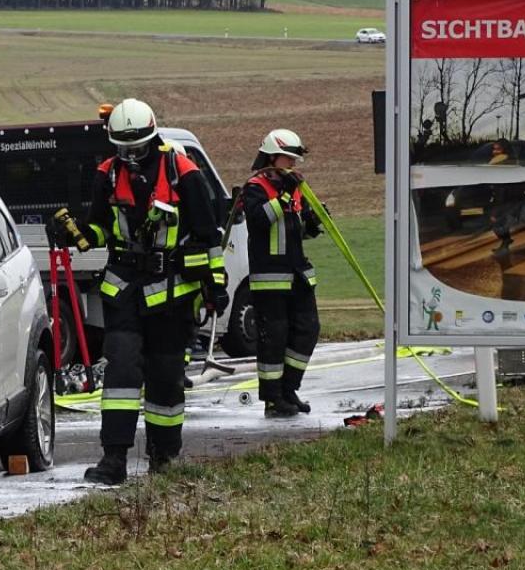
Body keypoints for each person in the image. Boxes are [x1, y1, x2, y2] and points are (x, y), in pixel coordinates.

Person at [51, 98, 228, 485]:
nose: (131, 156)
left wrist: (215, 284)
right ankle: (113, 459)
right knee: (121, 373)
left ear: (152, 138)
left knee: (166, 377)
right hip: (125, 291)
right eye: (123, 148)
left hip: (172, 295)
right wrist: (76, 233)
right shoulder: (107, 175)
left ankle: (163, 459)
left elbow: (207, 236)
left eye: (137, 147)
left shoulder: (184, 173)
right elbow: (99, 229)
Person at [241, 130, 322, 418]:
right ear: (271, 157)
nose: (292, 164)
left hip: (297, 273)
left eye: (294, 159)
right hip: (270, 279)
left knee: (308, 330)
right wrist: (285, 194)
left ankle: (289, 388)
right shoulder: (254, 187)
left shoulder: (296, 187)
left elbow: (296, 231)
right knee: (273, 339)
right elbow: (260, 220)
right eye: (288, 158)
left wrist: (312, 221)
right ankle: (273, 399)